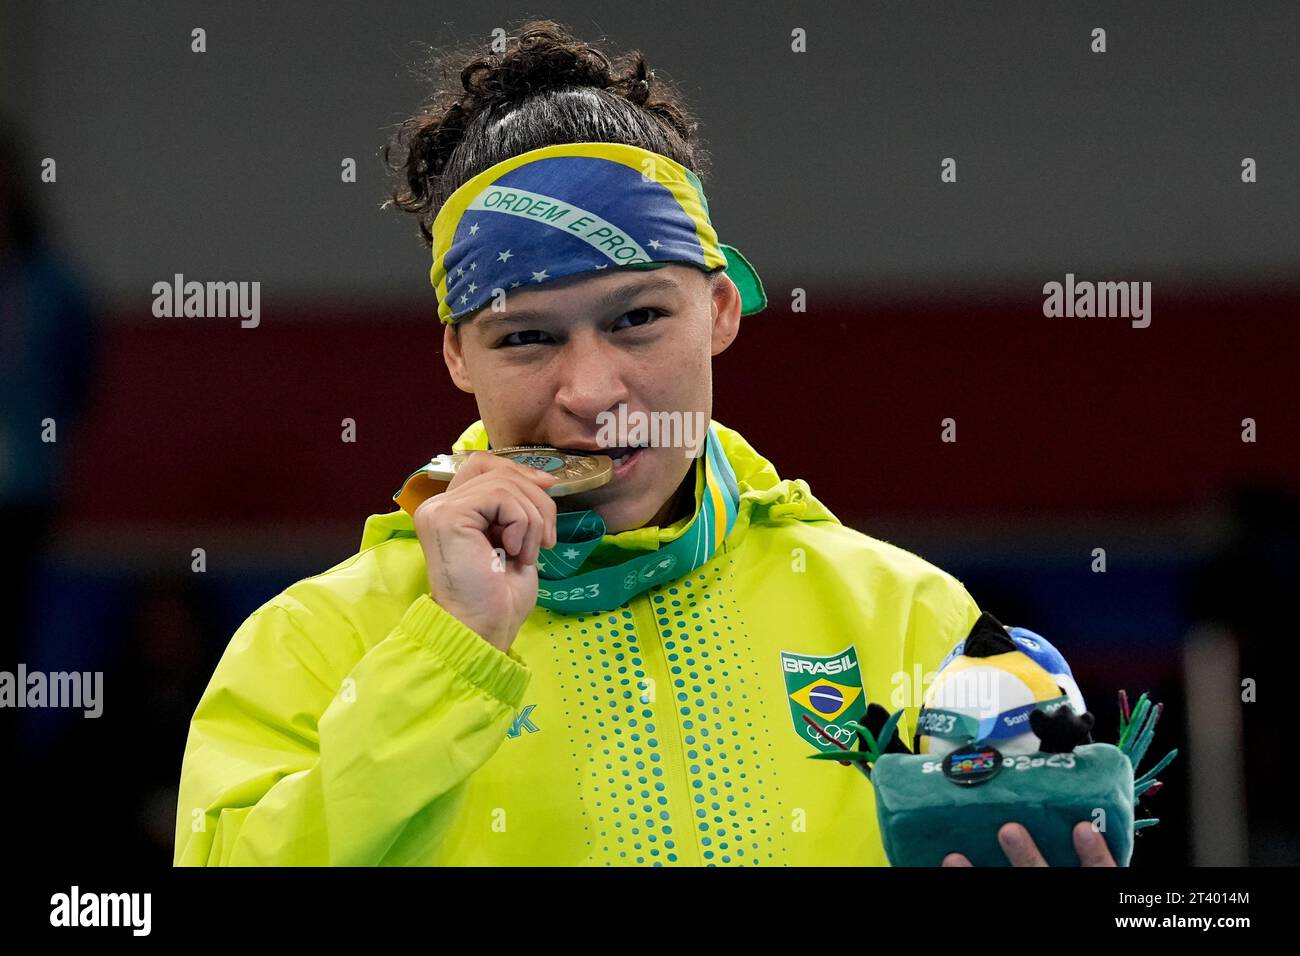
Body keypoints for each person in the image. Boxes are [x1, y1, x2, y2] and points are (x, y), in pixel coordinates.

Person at [174, 20, 1113, 867]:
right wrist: (446, 659)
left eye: (636, 320)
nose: (591, 392)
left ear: (716, 310)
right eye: (527, 338)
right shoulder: (316, 643)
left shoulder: (907, 620)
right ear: (459, 355)